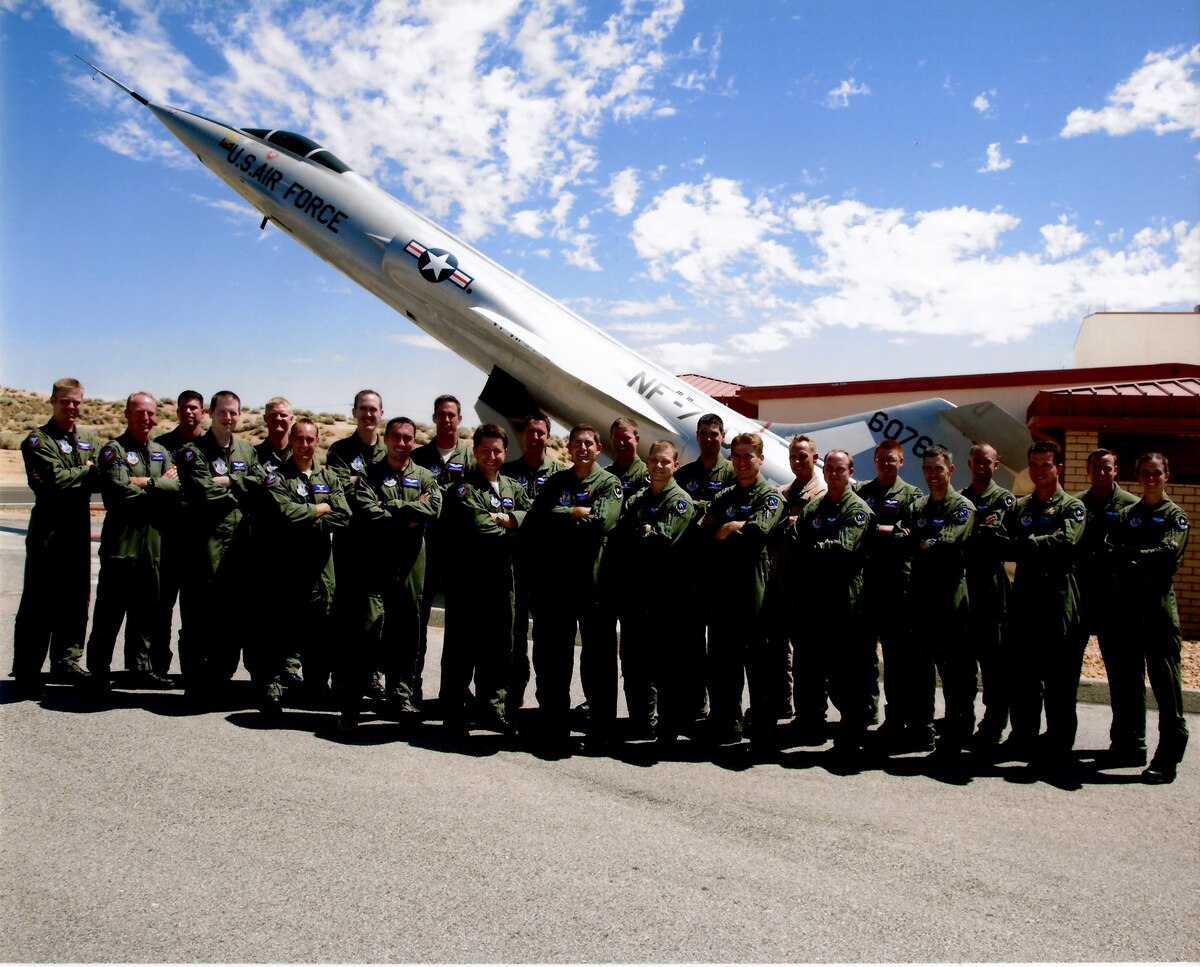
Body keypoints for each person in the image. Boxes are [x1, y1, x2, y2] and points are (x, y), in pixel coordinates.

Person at [522, 424, 622, 747]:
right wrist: (573, 513)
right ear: (568, 446)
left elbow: (601, 524)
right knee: (554, 658)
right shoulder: (557, 482)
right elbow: (537, 519)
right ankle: (554, 723)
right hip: (559, 586)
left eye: (588, 443)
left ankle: (602, 728)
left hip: (595, 587)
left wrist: (563, 521)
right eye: (576, 442)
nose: (582, 448)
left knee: (599, 661)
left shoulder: (609, 484)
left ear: (598, 448)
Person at [340, 417, 441, 728]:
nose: (401, 443)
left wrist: (391, 507)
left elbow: (434, 509)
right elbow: (367, 511)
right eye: (396, 437)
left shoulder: (424, 476)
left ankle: (400, 696)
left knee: (407, 632)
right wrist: (408, 514)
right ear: (385, 439)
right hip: (374, 564)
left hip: (411, 566)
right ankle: (353, 702)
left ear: (414, 441)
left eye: (408, 438)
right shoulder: (369, 475)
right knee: (367, 632)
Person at [996, 441, 1087, 765]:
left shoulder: (1072, 507)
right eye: (1033, 465)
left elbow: (1066, 542)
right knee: (1024, 677)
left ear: (1058, 468)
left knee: (1060, 680)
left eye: (1045, 465)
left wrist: (1026, 544)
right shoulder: (1021, 507)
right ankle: (1022, 737)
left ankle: (1059, 745)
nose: (1038, 471)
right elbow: (1002, 543)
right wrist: (1031, 545)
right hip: (1025, 600)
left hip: (1057, 600)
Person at [85, 392, 182, 691]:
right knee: (110, 612)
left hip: (152, 547)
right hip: (122, 547)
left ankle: (140, 668)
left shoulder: (160, 450)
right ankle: (99, 670)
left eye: (151, 413)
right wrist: (158, 488)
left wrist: (144, 484)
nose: (146, 418)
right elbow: (120, 493)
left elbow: (177, 490)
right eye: (140, 412)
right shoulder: (113, 451)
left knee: (145, 612)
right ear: (127, 414)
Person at [257, 417, 352, 716]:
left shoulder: (330, 478)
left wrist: (307, 518)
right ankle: (272, 689)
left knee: (319, 632)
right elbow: (284, 514)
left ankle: (315, 687)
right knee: (279, 630)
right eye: (299, 439)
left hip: (321, 570)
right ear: (292, 440)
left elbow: (345, 516)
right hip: (286, 568)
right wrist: (322, 508)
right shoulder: (277, 478)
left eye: (310, 439)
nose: (305, 445)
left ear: (318, 440)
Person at [440, 424, 531, 733]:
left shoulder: (511, 487)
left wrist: (510, 520)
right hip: (470, 583)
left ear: (505, 453)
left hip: (503, 582)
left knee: (498, 649)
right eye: (485, 450)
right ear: (475, 452)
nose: (491, 456)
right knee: (462, 649)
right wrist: (510, 529)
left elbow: (533, 515)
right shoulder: (464, 489)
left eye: (497, 450)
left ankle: (492, 709)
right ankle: (453, 711)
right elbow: (481, 527)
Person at [1106, 453, 1190, 783]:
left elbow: (1169, 554)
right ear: (1138, 476)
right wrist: (1138, 557)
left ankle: (1167, 756)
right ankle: (1130, 746)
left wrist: (1135, 556)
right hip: (1129, 610)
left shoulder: (1174, 516)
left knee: (1166, 689)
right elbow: (1112, 550)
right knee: (1128, 684)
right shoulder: (1130, 514)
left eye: (1156, 473)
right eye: (1145, 473)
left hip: (1157, 612)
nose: (1150, 478)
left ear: (1167, 475)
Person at [11, 378, 99, 695]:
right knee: (39, 603)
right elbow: (53, 481)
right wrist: (87, 471)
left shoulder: (89, 439)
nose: (72, 407)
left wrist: (87, 472)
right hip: (48, 532)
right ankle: (26, 669)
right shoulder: (38, 441)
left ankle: (67, 661)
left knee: (76, 600)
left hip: (77, 531)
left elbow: (103, 475)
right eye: (66, 401)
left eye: (77, 401)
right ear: (53, 401)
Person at [176, 390, 263, 700]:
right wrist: (241, 487)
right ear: (209, 413)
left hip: (239, 550)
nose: (229, 417)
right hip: (204, 548)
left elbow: (260, 488)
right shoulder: (192, 452)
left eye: (234, 412)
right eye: (223, 412)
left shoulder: (247, 452)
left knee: (230, 619)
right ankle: (195, 683)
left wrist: (227, 482)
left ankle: (220, 678)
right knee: (199, 618)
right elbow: (201, 492)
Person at [699, 432, 785, 746]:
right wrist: (729, 529)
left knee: (759, 665)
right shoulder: (725, 497)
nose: (742, 462)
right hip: (724, 593)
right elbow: (703, 535)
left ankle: (761, 724)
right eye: (737, 456)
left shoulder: (771, 497)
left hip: (756, 594)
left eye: (749, 456)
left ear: (760, 459)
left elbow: (758, 532)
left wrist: (731, 529)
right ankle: (726, 720)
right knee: (722, 663)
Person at [606, 440, 695, 742]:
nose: (659, 466)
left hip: (666, 598)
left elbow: (662, 542)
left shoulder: (681, 501)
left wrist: (643, 534)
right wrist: (644, 534)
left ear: (675, 466)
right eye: (654, 460)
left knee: (666, 666)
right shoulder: (637, 501)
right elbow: (620, 539)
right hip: (636, 596)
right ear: (647, 462)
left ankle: (668, 728)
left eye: (665, 462)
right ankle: (641, 722)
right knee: (633, 663)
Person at [787, 450, 873, 753]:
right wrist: (815, 548)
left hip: (842, 602)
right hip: (812, 599)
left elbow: (843, 549)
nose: (834, 474)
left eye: (840, 469)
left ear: (850, 472)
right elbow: (795, 537)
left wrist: (813, 547)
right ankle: (810, 724)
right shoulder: (815, 507)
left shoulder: (857, 509)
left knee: (844, 671)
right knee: (808, 667)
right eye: (830, 469)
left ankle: (853, 729)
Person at [896, 446, 974, 757]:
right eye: (927, 469)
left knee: (954, 673)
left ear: (950, 471)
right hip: (919, 597)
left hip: (948, 601)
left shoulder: (961, 507)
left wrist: (922, 542)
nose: (932, 474)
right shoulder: (919, 506)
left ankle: (955, 735)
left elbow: (948, 544)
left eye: (938, 469)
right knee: (920, 671)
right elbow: (903, 542)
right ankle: (921, 730)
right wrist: (921, 543)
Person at [1073, 448, 1139, 760]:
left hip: (1117, 600)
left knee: (1123, 675)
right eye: (1096, 468)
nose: (1101, 473)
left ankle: (1128, 742)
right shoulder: (1078, 504)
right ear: (1088, 470)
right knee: (1066, 670)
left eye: (1107, 468)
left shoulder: (1130, 505)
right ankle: (1060, 737)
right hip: (1082, 597)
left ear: (1116, 470)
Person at [501, 412, 567, 721]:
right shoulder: (507, 472)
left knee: (547, 640)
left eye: (541, 432)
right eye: (530, 432)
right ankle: (511, 700)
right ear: (523, 435)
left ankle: (549, 705)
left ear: (548, 436)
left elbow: (556, 516)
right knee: (513, 637)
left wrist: (522, 520)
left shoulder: (561, 475)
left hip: (548, 568)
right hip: (514, 564)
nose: (535, 437)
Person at [411, 394, 475, 708]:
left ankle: (454, 691)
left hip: (461, 553)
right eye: (441, 415)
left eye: (451, 415)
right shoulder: (419, 456)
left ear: (459, 419)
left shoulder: (471, 457)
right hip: (425, 549)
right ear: (434, 418)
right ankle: (411, 687)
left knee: (460, 627)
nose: (446, 420)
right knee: (416, 623)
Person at [855, 439, 923, 731]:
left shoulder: (912, 496)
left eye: (891, 459)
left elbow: (911, 535)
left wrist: (879, 531)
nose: (886, 464)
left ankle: (897, 716)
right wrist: (890, 531)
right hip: (866, 584)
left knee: (897, 659)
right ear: (874, 460)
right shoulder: (861, 492)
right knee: (863, 655)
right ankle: (866, 711)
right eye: (881, 459)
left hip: (898, 586)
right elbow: (856, 529)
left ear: (901, 462)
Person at [673, 414, 736, 725]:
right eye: (703, 434)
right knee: (692, 644)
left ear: (722, 436)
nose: (709, 439)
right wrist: (707, 511)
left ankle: (723, 713)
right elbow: (681, 512)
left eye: (714, 434)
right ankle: (696, 705)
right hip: (693, 569)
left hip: (724, 571)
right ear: (696, 437)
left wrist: (702, 510)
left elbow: (729, 513)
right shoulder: (685, 475)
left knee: (723, 648)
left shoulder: (734, 475)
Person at [326, 389, 387, 701]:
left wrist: (358, 484)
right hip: (349, 540)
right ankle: (341, 675)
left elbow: (395, 493)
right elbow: (335, 489)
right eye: (363, 409)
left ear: (381, 412)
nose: (368, 414)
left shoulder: (390, 450)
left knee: (375, 613)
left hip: (378, 543)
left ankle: (372, 676)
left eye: (373, 409)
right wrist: (367, 490)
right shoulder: (339, 450)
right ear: (354, 412)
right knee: (345, 611)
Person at [763, 435, 826, 723]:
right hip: (778, 579)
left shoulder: (823, 494)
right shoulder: (782, 492)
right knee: (776, 649)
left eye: (803, 456)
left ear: (815, 457)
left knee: (808, 653)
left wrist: (792, 525)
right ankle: (781, 702)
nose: (798, 461)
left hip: (808, 583)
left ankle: (810, 712)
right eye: (793, 456)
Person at [959, 443, 1016, 750]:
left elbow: (1000, 539)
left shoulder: (1003, 498)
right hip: (964, 591)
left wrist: (973, 533)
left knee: (993, 665)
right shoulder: (963, 498)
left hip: (991, 592)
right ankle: (962, 722)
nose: (981, 466)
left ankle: (993, 725)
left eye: (988, 462)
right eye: (977, 461)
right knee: (964, 665)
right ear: (970, 464)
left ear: (996, 466)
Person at [598, 417, 648, 734]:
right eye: (616, 438)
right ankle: (603, 714)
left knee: (636, 652)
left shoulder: (649, 474)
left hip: (637, 577)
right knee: (603, 650)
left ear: (637, 438)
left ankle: (640, 715)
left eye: (626, 437)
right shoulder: (605, 477)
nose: (621, 443)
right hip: (607, 573)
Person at [151, 390, 205, 678]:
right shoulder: (162, 446)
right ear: (177, 411)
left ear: (203, 412)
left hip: (199, 540)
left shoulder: (210, 446)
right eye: (184, 408)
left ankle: (192, 670)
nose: (188, 413)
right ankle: (157, 666)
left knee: (194, 612)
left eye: (194, 408)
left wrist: (177, 481)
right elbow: (156, 485)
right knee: (162, 608)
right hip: (169, 538)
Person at [255, 397, 295, 472]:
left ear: (291, 419)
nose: (278, 418)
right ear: (265, 418)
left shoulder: (300, 455)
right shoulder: (253, 455)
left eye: (283, 415)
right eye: (273, 415)